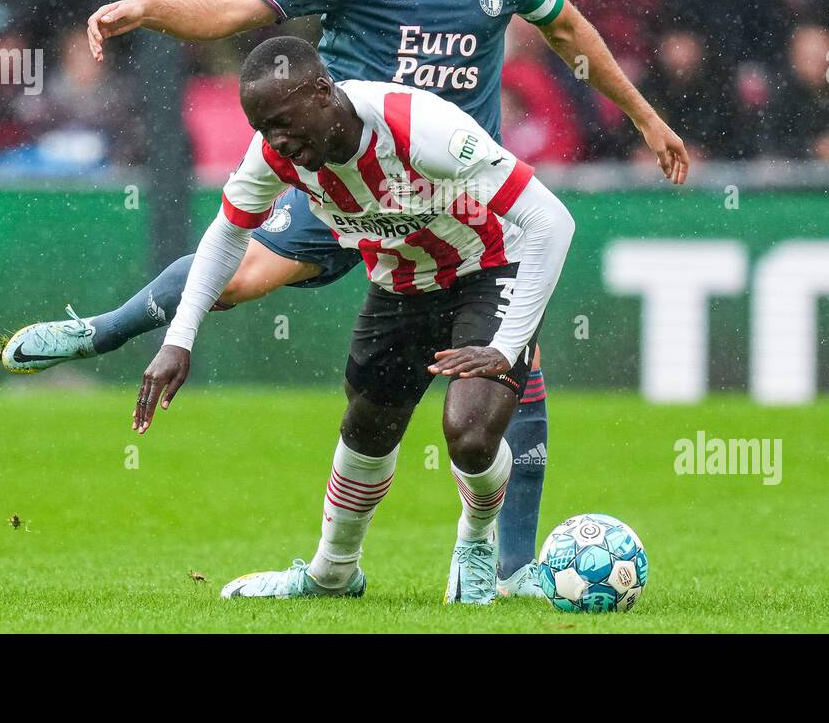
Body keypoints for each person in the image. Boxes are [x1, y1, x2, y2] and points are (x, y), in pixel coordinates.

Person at [0, 0, 690, 598]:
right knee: (244, 274)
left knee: (500, 366)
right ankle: (103, 332)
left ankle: (508, 564)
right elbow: (231, 14)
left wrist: (643, 116)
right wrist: (152, 10)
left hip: (458, 190)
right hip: (345, 168)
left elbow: (569, 32)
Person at [136, 36, 575, 604]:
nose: (277, 141)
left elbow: (551, 221)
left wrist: (509, 345)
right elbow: (226, 234)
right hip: (400, 282)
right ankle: (332, 574)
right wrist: (180, 340)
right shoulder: (276, 151)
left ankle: (476, 539)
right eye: (263, 128)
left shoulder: (419, 128)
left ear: (324, 92)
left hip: (489, 265)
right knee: (368, 427)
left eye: (283, 122)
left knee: (469, 433)